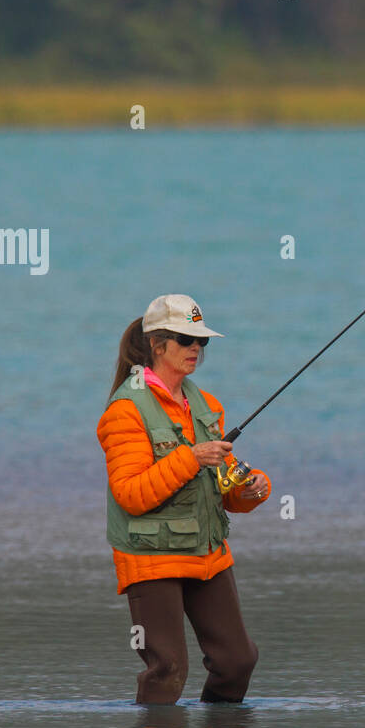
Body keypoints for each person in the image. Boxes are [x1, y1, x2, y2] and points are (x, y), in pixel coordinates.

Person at [97, 294, 272, 704]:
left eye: (202, 341)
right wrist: (190, 458)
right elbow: (131, 495)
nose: (196, 348)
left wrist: (250, 490)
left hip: (206, 551)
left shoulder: (207, 406)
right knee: (169, 670)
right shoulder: (124, 412)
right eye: (185, 339)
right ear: (157, 345)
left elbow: (220, 489)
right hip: (150, 555)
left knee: (238, 661)